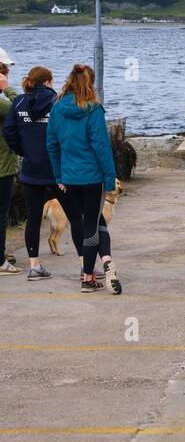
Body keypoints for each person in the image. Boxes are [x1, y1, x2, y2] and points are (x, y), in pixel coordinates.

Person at [46, 65, 119, 292]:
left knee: (95, 222)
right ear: (90, 83)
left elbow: (52, 144)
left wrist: (59, 174)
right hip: (92, 177)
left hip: (69, 178)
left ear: (70, 80)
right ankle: (88, 277)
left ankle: (106, 260)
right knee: (91, 226)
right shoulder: (93, 109)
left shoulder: (57, 108)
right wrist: (110, 179)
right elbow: (101, 147)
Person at [3, 65, 58, 280]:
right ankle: (86, 266)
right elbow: (63, 133)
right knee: (76, 215)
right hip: (55, 169)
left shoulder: (18, 102)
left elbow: (9, 131)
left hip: (30, 168)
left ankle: (34, 265)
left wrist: (22, 150)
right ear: (46, 82)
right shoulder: (56, 102)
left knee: (33, 218)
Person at [0, 47, 21, 273]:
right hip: (1, 166)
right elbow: (18, 110)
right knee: (1, 212)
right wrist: (8, 90)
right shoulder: (2, 99)